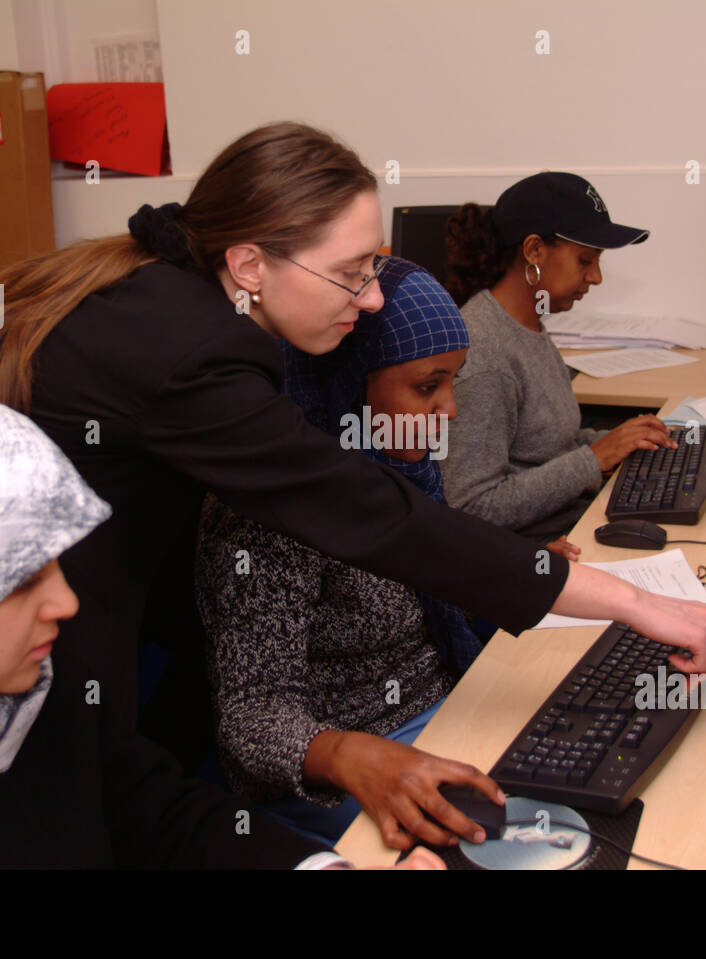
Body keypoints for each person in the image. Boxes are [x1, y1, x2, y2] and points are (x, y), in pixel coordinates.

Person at [0, 122, 706, 780]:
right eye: (353, 272)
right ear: (251, 262)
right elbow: (368, 515)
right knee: (69, 800)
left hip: (25, 583)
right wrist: (634, 603)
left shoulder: (177, 288)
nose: (371, 300)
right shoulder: (198, 349)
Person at [0, 388, 424, 869]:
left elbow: (156, 814)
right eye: (19, 581)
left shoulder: (36, 684)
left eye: (56, 566)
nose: (66, 603)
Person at [197, 258, 507, 851]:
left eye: (451, 384)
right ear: (349, 384)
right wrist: (350, 753)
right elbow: (251, 718)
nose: (450, 410)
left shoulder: (398, 465)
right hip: (342, 772)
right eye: (426, 387)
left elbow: (439, 581)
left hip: (442, 713)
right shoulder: (270, 509)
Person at [441, 171, 678, 545]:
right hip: (541, 550)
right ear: (534, 251)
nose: (596, 277)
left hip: (567, 525)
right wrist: (595, 458)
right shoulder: (484, 353)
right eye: (586, 260)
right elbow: (472, 507)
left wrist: (622, 441)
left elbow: (548, 446)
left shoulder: (527, 324)